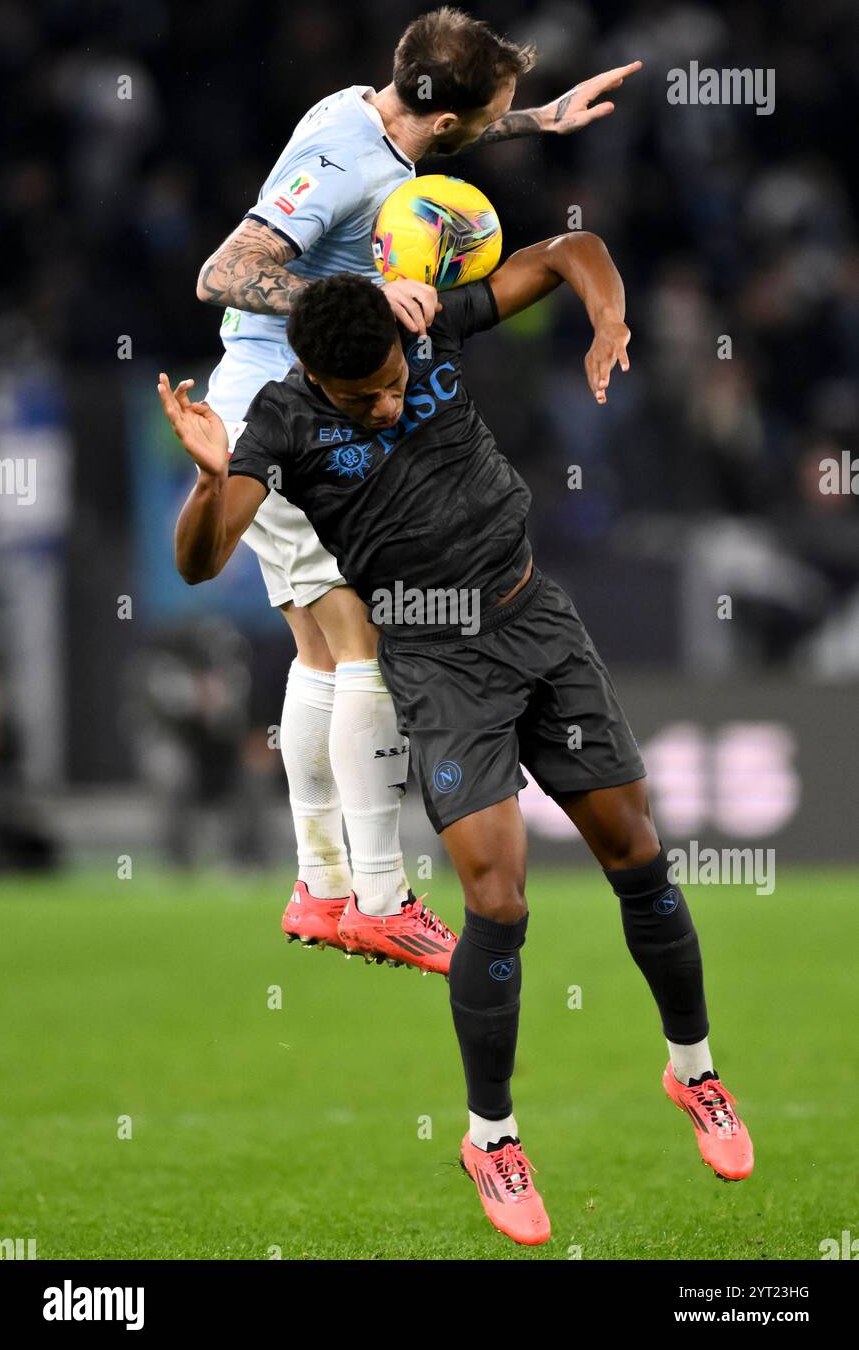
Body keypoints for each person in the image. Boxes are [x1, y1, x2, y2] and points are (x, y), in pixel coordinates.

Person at [159, 227, 753, 1248]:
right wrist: (213, 482)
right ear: (311, 377)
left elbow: (571, 248)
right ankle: (491, 1137)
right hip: (434, 663)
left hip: (533, 619)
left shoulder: (421, 325)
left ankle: (692, 1070)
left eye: (393, 384)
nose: (388, 403)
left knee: (637, 856)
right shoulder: (281, 420)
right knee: (496, 893)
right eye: (366, 400)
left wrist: (606, 315)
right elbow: (197, 567)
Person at [193, 3, 642, 960]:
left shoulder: (360, 111)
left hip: (267, 403)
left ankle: (320, 888)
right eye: (493, 117)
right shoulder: (354, 165)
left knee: (319, 645)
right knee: (366, 642)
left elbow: (450, 123)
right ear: (447, 122)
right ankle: (382, 897)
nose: (495, 130)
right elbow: (223, 272)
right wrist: (354, 300)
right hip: (286, 411)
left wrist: (544, 118)